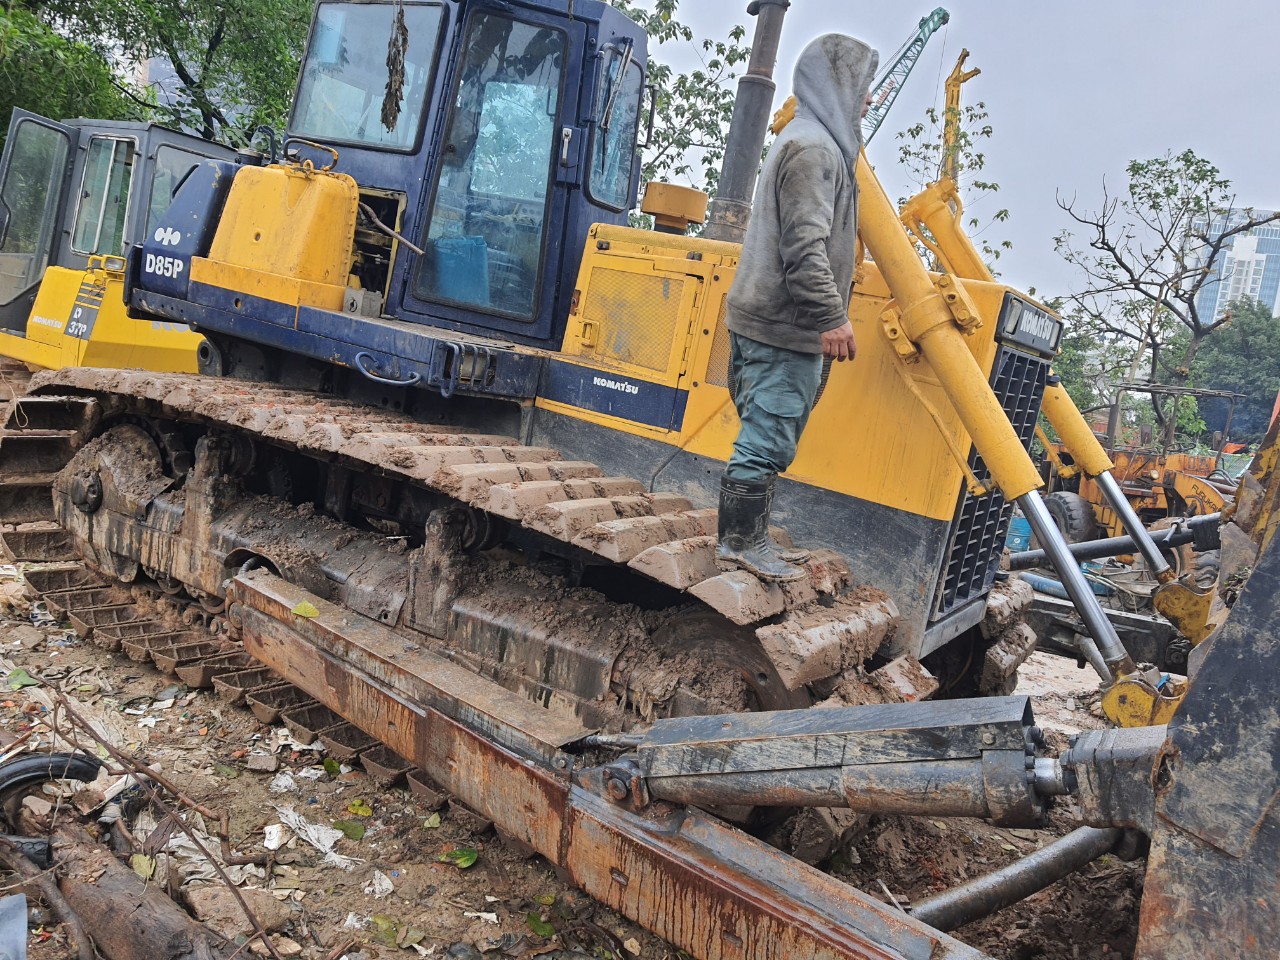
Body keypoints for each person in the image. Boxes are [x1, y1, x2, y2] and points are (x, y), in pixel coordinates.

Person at [715, 33, 879, 583]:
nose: (870, 101)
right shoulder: (814, 151)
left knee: (766, 433)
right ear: (837, 86)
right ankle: (739, 543)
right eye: (864, 89)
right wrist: (829, 316)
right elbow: (803, 248)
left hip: (772, 320)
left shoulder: (808, 141)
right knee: (767, 437)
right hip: (785, 327)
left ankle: (750, 536)